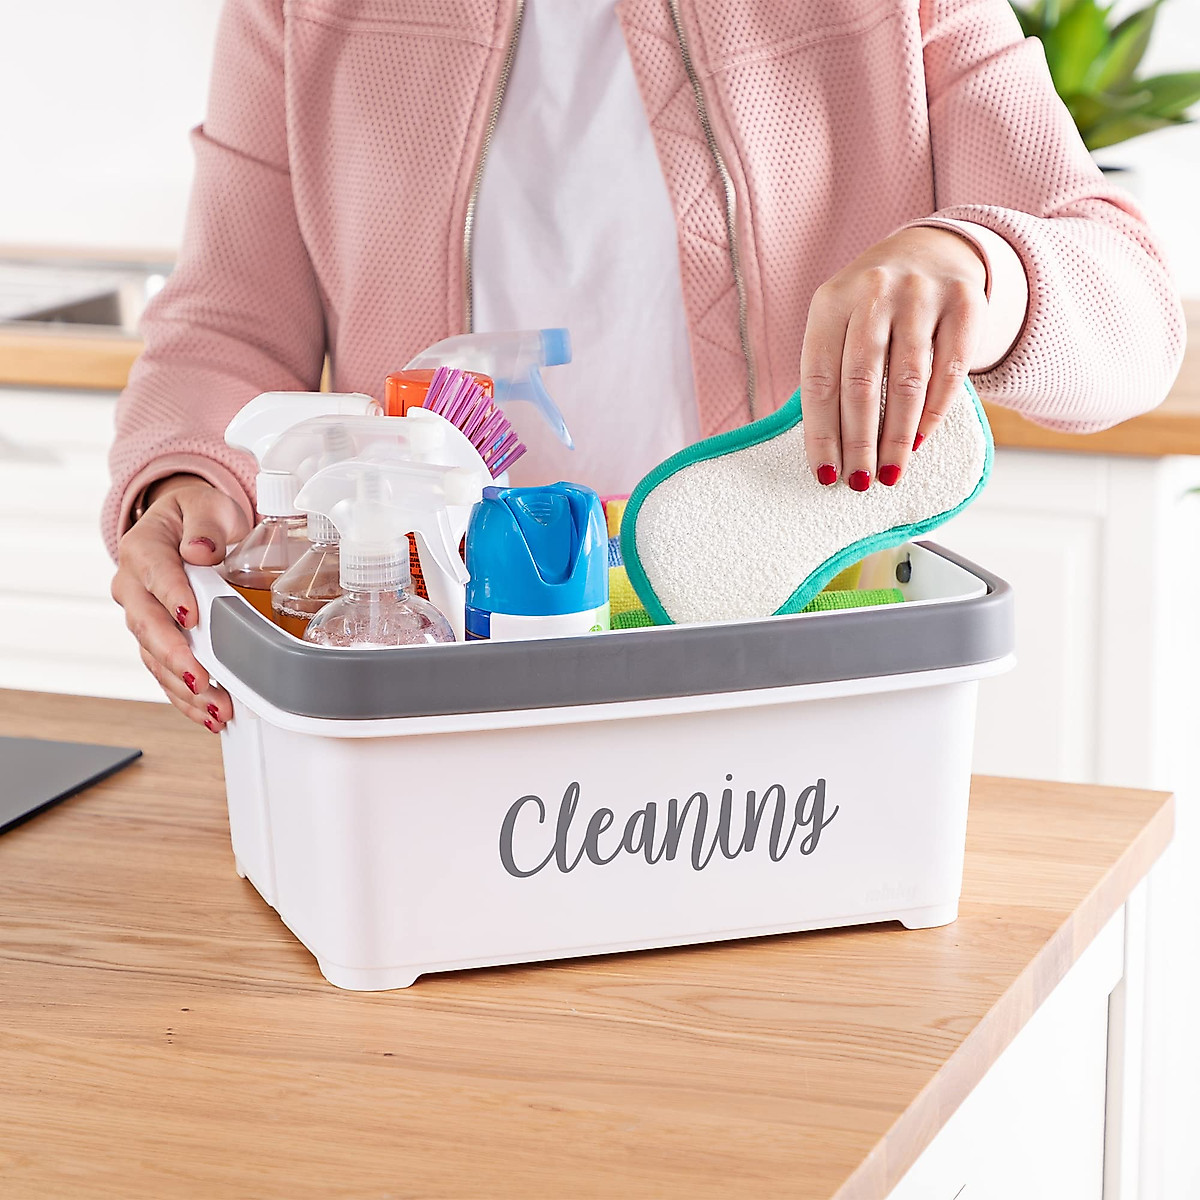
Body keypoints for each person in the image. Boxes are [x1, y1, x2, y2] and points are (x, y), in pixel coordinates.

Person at [105, 0, 1185, 732]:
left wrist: (979, 270)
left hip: (793, 690)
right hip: (437, 685)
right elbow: (227, 323)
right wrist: (184, 483)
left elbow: (1131, 324)